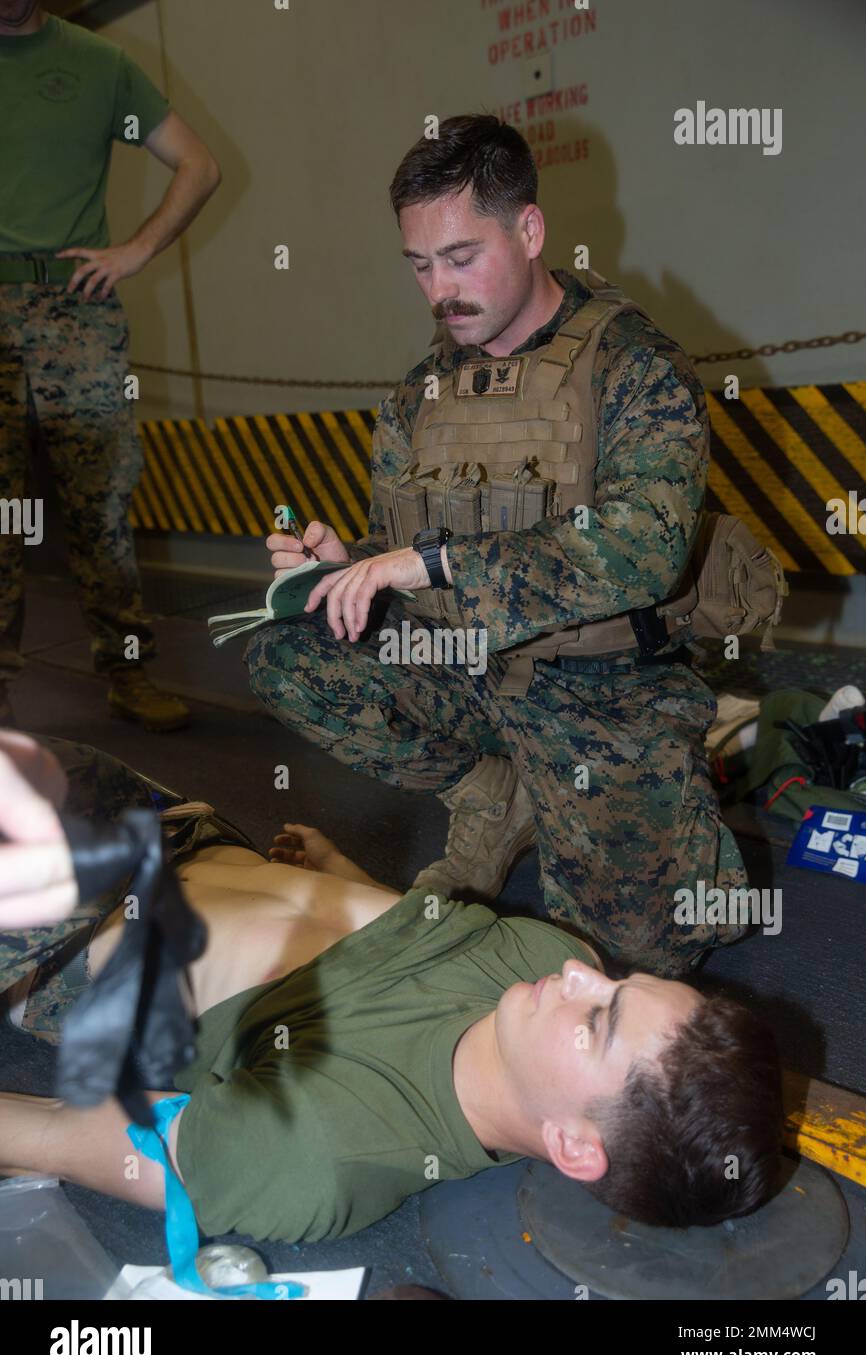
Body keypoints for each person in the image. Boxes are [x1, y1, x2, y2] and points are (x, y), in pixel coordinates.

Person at [244, 113, 749, 980]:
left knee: (635, 956)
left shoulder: (634, 367)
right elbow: (409, 542)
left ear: (529, 229)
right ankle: (492, 797)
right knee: (291, 653)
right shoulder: (421, 393)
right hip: (472, 668)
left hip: (607, 686)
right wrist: (351, 564)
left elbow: (641, 551)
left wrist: (432, 565)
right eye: (419, 265)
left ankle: (683, 840)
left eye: (461, 257)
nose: (440, 289)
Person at [0, 733, 783, 1241]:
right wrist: (343, 878)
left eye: (598, 1020)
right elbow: (419, 936)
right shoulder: (546, 958)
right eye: (616, 980)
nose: (582, 973)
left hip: (54, 928)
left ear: (575, 1144)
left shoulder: (321, 1153)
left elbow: (52, 1135)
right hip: (177, 822)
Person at [0, 0, 221, 730]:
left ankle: (128, 672)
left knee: (102, 507)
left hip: (77, 310)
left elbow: (199, 164)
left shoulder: (100, 67)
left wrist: (135, 251)